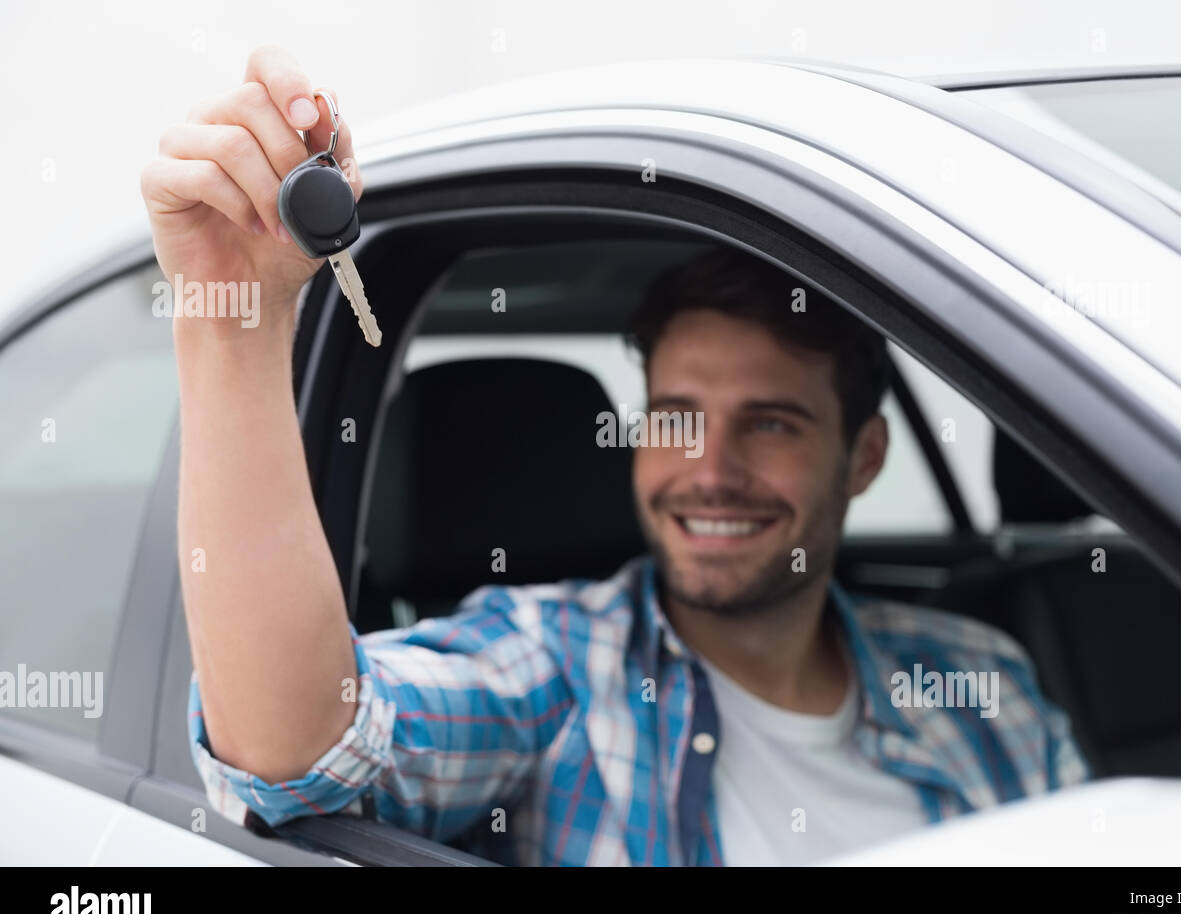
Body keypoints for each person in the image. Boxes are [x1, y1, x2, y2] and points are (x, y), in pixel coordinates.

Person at [142, 45, 1088, 867]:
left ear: (865, 456)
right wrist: (234, 318)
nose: (709, 469)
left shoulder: (980, 681)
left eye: (771, 424)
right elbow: (294, 754)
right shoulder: (555, 666)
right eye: (676, 416)